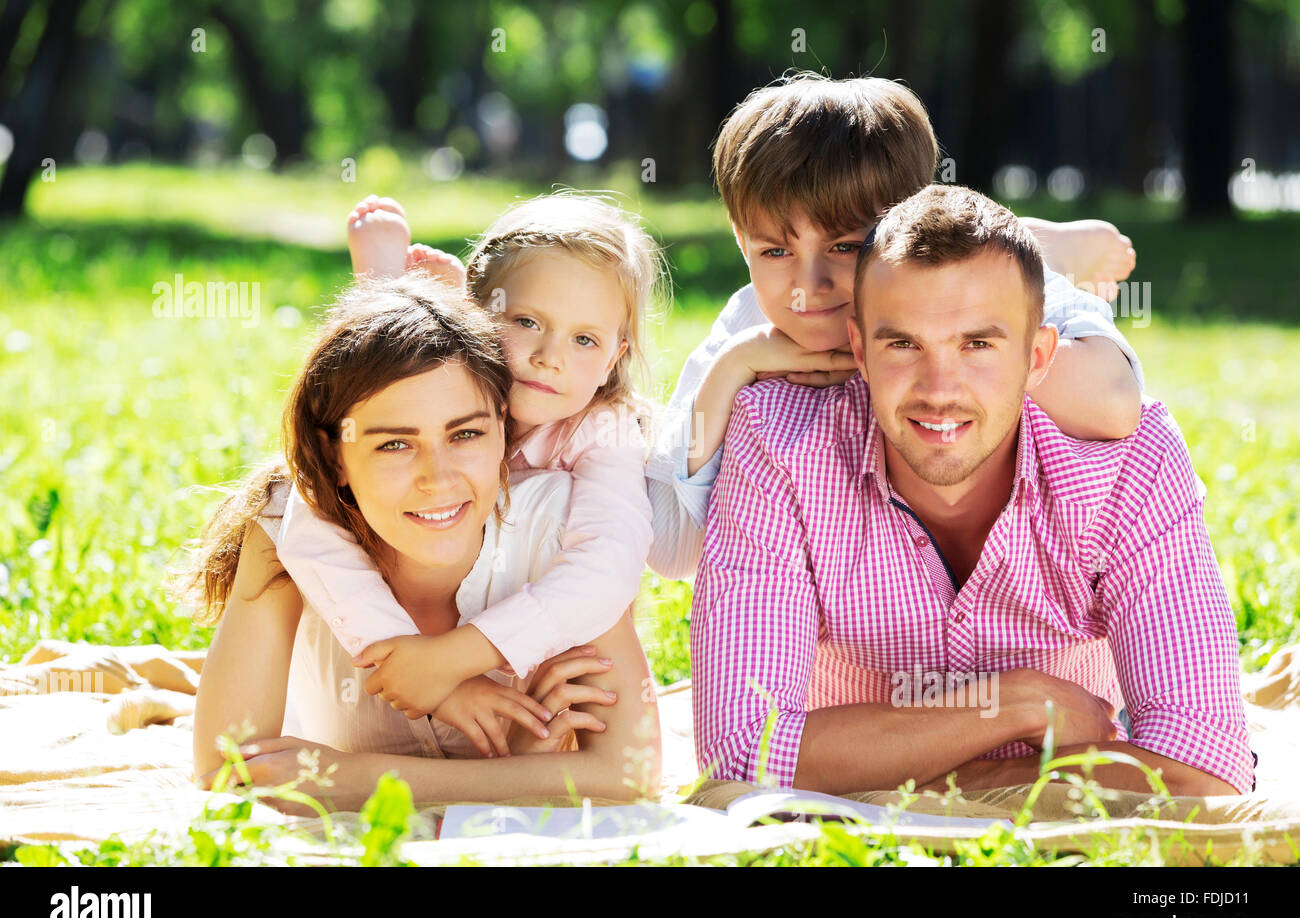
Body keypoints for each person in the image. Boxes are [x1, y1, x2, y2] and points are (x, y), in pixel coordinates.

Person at [691, 184, 1253, 798]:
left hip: (851, 774)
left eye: (978, 345)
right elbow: (743, 752)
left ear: (1038, 356)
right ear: (859, 347)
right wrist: (1017, 705)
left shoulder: (1130, 460)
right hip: (1063, 766)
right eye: (903, 344)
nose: (940, 388)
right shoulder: (778, 440)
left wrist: (932, 781)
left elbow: (1207, 765)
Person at [180, 276, 661, 809]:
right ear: (335, 454)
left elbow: (630, 775)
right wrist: (526, 776)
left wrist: (355, 779)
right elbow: (229, 768)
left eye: (466, 434)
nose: (438, 478)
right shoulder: (286, 530)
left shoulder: (564, 530)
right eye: (395, 444)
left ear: (503, 427)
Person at [645, 72, 1145, 580]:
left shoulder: (992, 289)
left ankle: (1036, 245)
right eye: (775, 250)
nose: (809, 284)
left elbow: (1115, 407)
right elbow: (669, 547)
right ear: (740, 239)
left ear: (914, 224)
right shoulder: (751, 322)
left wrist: (996, 322)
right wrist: (733, 366)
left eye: (844, 246)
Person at [265, 192, 666, 744]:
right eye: (526, 321)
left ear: (613, 360)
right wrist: (415, 665)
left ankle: (389, 287)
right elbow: (314, 518)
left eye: (584, 339)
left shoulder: (603, 432)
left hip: (529, 645)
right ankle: (383, 292)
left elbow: (607, 566)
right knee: (380, 389)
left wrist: (458, 657)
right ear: (474, 318)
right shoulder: (448, 394)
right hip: (407, 641)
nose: (551, 356)